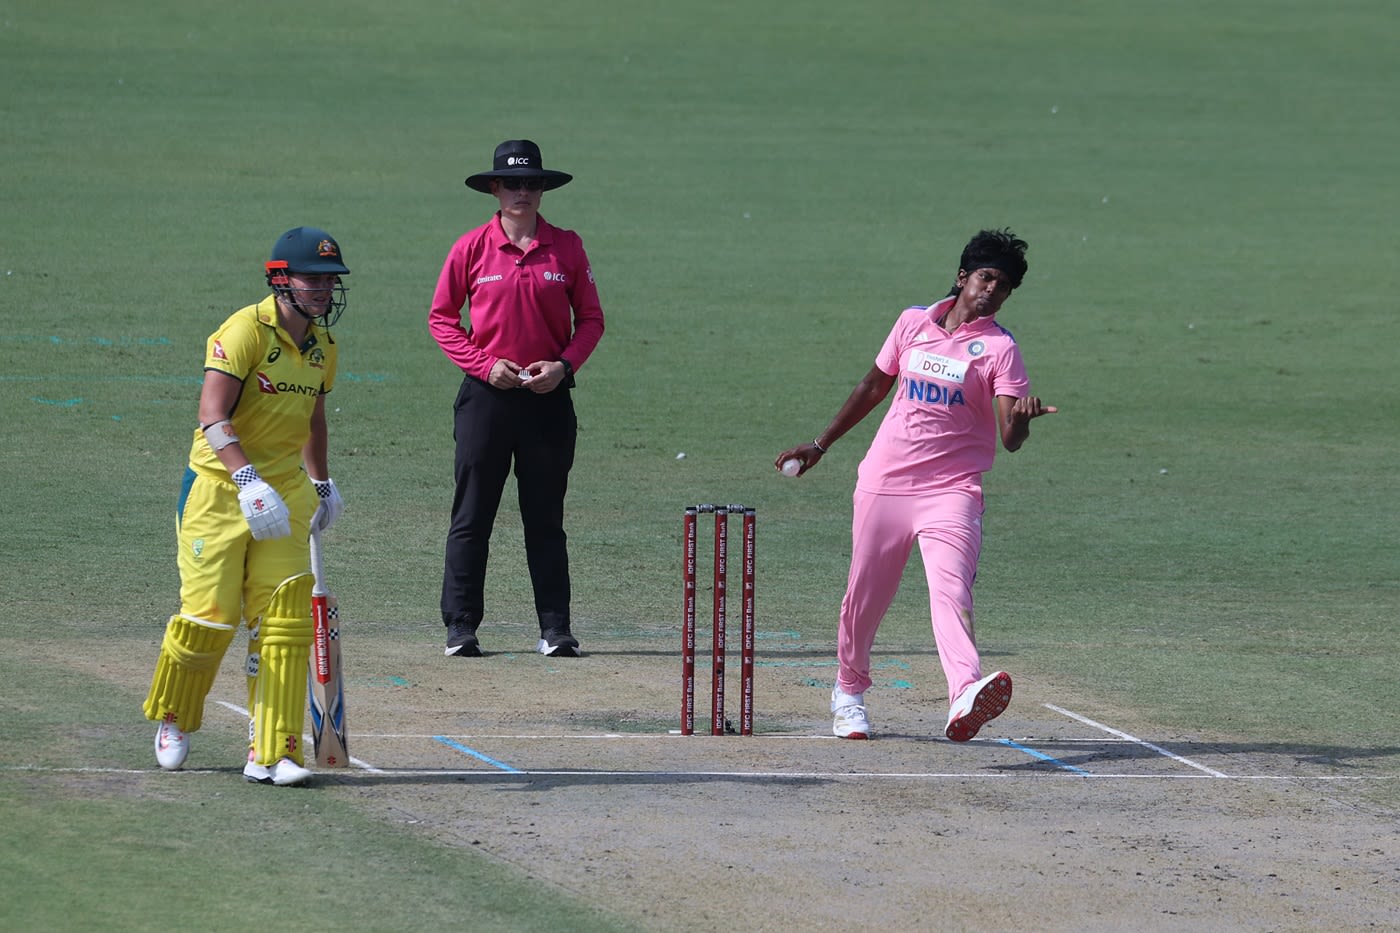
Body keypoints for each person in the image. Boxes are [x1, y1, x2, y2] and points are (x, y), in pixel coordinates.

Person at [775, 229, 1056, 742]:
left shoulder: (1000, 348)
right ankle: (848, 692)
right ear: (963, 277)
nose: (993, 290)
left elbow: (1009, 438)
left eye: (1004, 286)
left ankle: (964, 693)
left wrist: (1022, 420)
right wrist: (819, 445)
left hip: (952, 491)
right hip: (884, 482)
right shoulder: (912, 322)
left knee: (951, 590)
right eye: (986, 277)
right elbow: (873, 385)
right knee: (865, 597)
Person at [142, 226, 350, 785]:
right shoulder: (243, 331)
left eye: (330, 280)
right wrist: (248, 479)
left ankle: (274, 751)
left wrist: (321, 482)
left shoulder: (324, 347)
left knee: (283, 621)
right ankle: (174, 717)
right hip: (219, 490)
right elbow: (212, 415)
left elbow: (314, 418)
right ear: (280, 279)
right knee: (209, 619)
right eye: (311, 278)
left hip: (286, 492)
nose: (323, 289)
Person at [429, 139, 605, 659]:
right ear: (495, 188)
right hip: (486, 398)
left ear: (543, 188)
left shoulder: (567, 247)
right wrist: (485, 365)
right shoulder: (470, 248)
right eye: (512, 183)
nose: (522, 192)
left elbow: (591, 320)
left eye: (531, 183)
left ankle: (556, 629)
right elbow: (442, 319)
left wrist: (563, 367)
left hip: (548, 399)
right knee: (472, 516)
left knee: (545, 518)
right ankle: (461, 627)